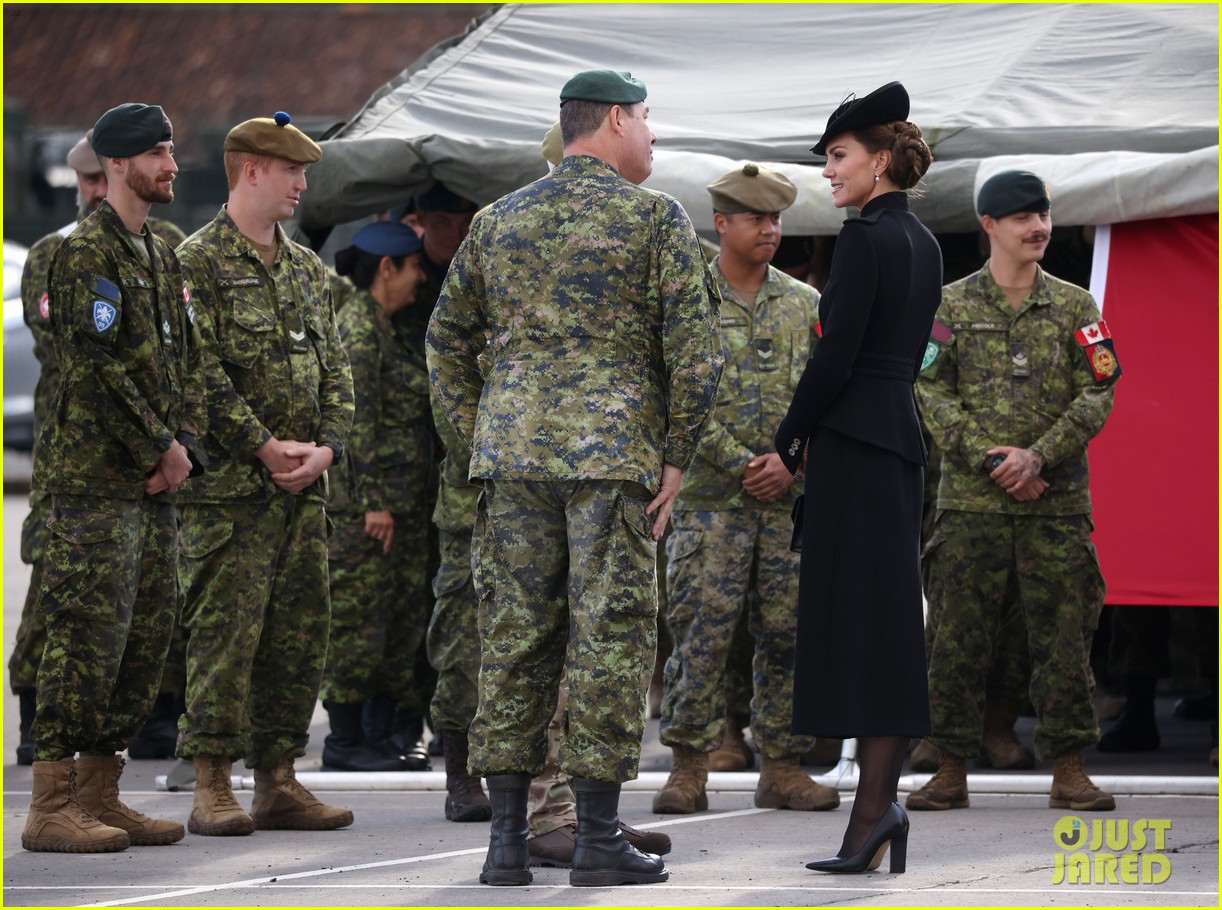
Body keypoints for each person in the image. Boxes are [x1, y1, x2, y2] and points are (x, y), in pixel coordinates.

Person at [427, 68, 723, 887]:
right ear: (618, 119)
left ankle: (507, 846)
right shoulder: (654, 218)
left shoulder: (497, 220)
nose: (654, 135)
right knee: (609, 640)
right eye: (649, 118)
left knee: (516, 643)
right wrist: (676, 457)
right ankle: (594, 838)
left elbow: (445, 343)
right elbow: (697, 356)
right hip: (610, 466)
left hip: (512, 463)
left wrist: (477, 438)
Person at [21, 103, 205, 853]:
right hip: (92, 485)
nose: (170, 164)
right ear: (119, 165)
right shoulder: (83, 254)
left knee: (144, 638)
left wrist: (183, 441)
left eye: (170, 149)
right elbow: (93, 370)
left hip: (151, 483)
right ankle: (51, 805)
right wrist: (160, 445)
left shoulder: (159, 253)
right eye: (158, 153)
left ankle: (102, 792)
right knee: (83, 640)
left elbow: (184, 358)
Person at [910, 169, 1121, 813]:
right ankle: (949, 768)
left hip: (1054, 504)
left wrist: (1037, 457)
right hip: (971, 505)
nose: (1039, 227)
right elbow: (926, 385)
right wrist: (988, 458)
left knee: (1064, 635)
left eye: (1045, 214)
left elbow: (1102, 387)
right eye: (1023, 217)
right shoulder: (947, 306)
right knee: (956, 637)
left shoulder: (1076, 306)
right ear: (990, 227)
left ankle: (1069, 767)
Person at [773, 81, 941, 874]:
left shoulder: (869, 240)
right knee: (885, 634)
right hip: (893, 442)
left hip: (853, 444)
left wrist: (791, 434)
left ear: (879, 160)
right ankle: (876, 811)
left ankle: (875, 812)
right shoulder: (926, 242)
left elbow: (833, 355)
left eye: (839, 157)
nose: (830, 173)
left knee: (866, 633)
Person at [174, 112, 355, 836]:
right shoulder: (195, 263)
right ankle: (212, 783)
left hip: (304, 496)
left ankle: (278, 778)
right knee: (224, 637)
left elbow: (336, 368)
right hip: (230, 499)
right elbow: (196, 369)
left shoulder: (308, 269)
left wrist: (327, 448)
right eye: (290, 172)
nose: (301, 186)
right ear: (251, 170)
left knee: (299, 636)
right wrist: (260, 444)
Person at [653, 163, 837, 815]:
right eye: (756, 218)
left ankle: (783, 766)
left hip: (785, 504)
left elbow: (823, 399)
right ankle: (688, 769)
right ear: (722, 223)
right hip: (709, 505)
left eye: (777, 218)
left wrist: (788, 461)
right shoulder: (686, 299)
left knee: (788, 636)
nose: (771, 229)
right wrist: (740, 462)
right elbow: (674, 395)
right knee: (700, 637)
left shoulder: (804, 304)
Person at [320, 220, 432, 772]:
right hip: (367, 511)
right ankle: (344, 742)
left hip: (398, 506)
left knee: (392, 624)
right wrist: (372, 502)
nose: (421, 277)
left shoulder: (383, 327)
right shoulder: (359, 331)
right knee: (358, 625)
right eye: (414, 267)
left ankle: (379, 737)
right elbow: (354, 424)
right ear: (387, 269)